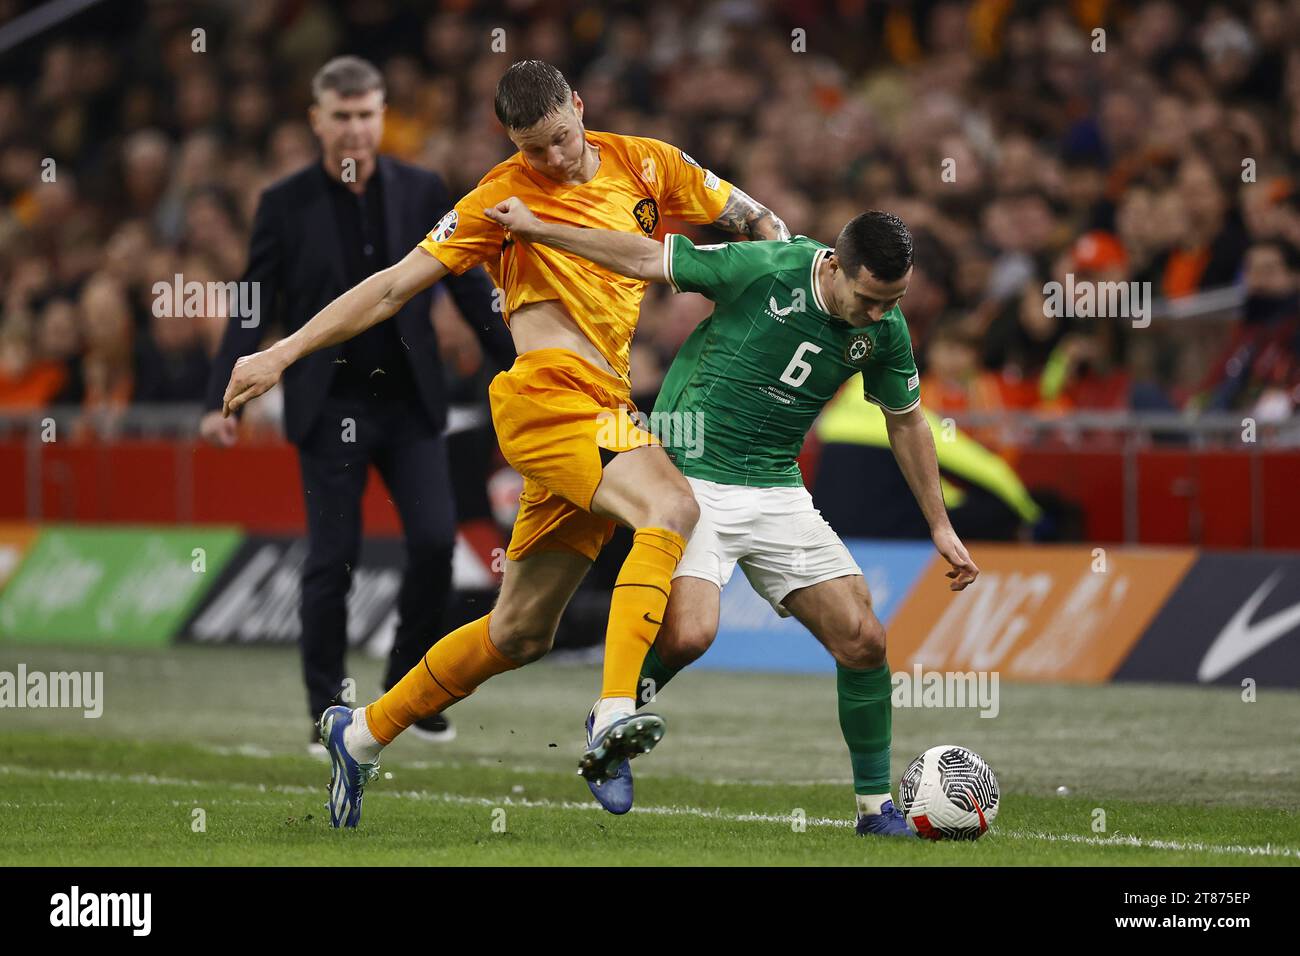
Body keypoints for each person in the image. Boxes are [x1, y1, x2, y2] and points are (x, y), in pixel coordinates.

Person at [219, 60, 789, 826]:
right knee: (670, 507)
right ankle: (612, 713)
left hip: (601, 404)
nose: (550, 160)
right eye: (532, 148)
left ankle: (360, 734)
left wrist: (783, 256)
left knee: (519, 632)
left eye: (559, 140)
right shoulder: (498, 198)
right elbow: (392, 287)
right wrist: (281, 353)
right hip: (549, 395)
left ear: (579, 108)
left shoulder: (648, 163)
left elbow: (751, 217)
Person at [485, 200, 980, 833]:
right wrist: (536, 227)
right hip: (690, 471)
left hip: (776, 484)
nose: (882, 315)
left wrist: (939, 524)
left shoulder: (885, 327)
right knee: (691, 635)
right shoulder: (763, 267)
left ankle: (874, 809)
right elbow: (645, 257)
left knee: (864, 640)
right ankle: (612, 717)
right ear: (834, 266)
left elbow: (906, 419)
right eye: (871, 300)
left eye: (895, 301)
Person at [201, 57, 515, 753]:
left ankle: (408, 694)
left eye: (366, 114)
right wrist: (224, 389)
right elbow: (251, 303)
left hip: (409, 404)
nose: (354, 129)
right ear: (317, 120)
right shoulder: (283, 204)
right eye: (340, 116)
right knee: (331, 560)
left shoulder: (421, 188)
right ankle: (327, 710)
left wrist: (526, 368)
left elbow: (468, 292)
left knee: (435, 543)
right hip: (328, 404)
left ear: (381, 117)